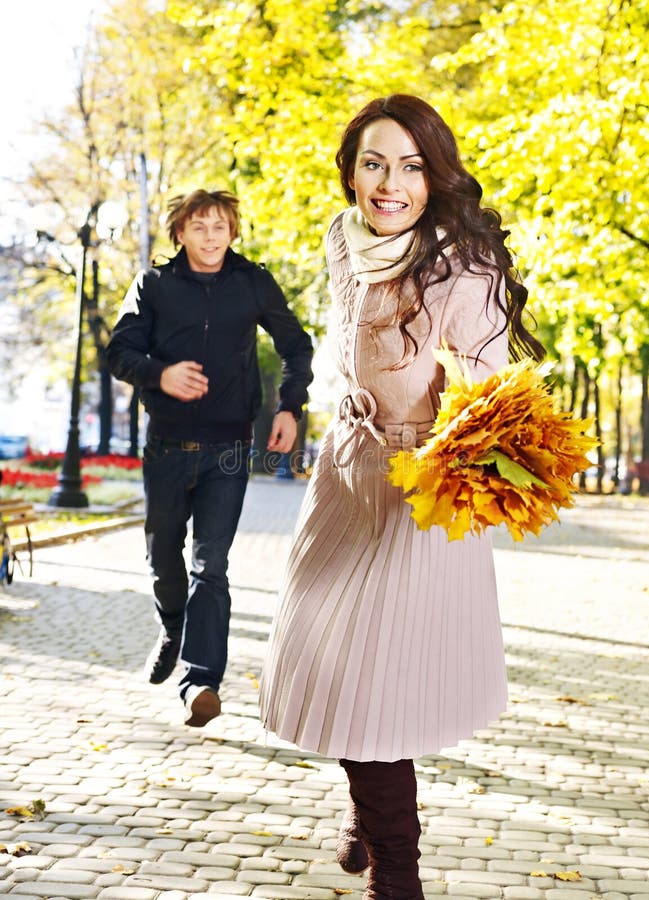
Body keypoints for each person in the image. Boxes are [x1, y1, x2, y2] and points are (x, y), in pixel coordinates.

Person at [259, 96, 545, 899]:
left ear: (434, 176)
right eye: (374, 163)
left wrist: (456, 449)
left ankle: (398, 868)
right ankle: (368, 811)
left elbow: (494, 393)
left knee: (372, 676)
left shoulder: (462, 266)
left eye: (412, 166)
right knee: (330, 663)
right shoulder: (339, 243)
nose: (390, 184)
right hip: (344, 479)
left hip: (417, 493)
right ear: (350, 170)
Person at [107, 189, 313, 728]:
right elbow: (119, 353)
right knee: (163, 557)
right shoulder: (153, 285)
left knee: (211, 564)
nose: (211, 235)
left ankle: (200, 680)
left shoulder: (252, 282)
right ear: (180, 233)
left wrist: (289, 408)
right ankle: (173, 626)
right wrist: (160, 374)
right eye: (199, 226)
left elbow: (296, 346)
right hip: (167, 446)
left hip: (230, 447)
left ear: (234, 232)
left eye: (220, 225)